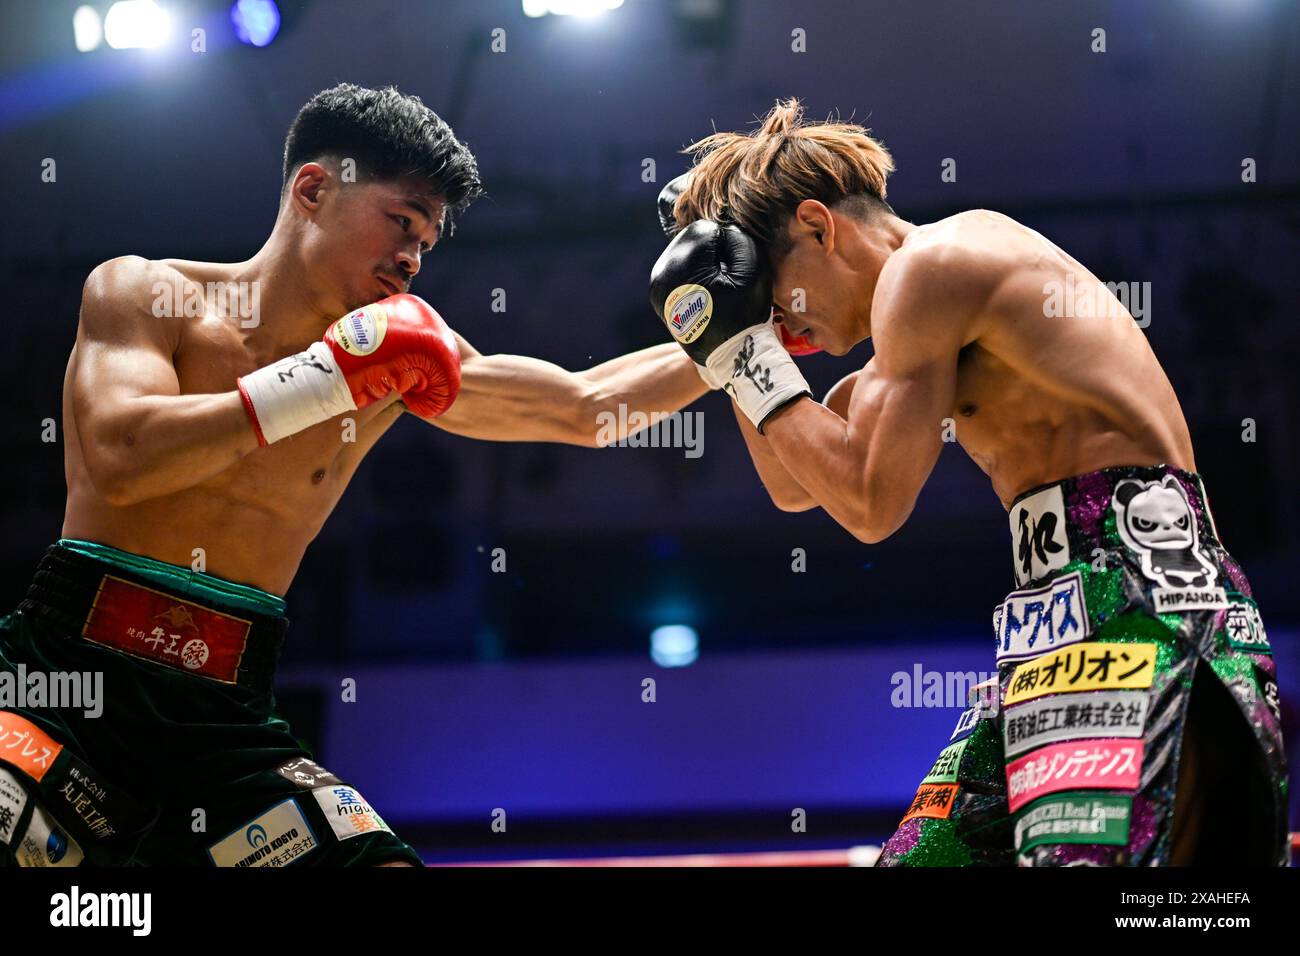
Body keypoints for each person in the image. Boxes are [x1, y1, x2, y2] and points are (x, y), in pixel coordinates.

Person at [0, 84, 707, 867]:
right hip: (61, 683)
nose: (411, 256)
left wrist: (740, 341)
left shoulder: (398, 362)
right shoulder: (146, 294)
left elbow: (584, 406)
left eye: (427, 243)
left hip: (222, 723)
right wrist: (322, 379)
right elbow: (123, 457)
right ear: (312, 189)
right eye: (400, 222)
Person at [649, 98, 1288, 866]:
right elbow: (798, 483)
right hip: (1055, 624)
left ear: (818, 227)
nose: (786, 328)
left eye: (776, 294)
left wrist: (746, 354)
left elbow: (870, 505)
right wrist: (732, 349)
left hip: (1144, 599)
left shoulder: (936, 266)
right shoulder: (909, 337)